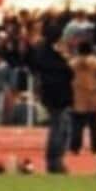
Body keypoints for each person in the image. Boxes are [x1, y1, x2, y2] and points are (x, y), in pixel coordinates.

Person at [28, 22, 76, 175]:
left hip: (52, 92)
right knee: (58, 128)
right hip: (57, 93)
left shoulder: (43, 51)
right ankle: (54, 161)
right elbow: (66, 71)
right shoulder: (49, 53)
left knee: (61, 127)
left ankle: (56, 159)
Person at [69, 40, 96, 157]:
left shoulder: (72, 63)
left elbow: (67, 77)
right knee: (94, 125)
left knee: (76, 125)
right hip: (93, 96)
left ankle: (74, 148)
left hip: (77, 96)